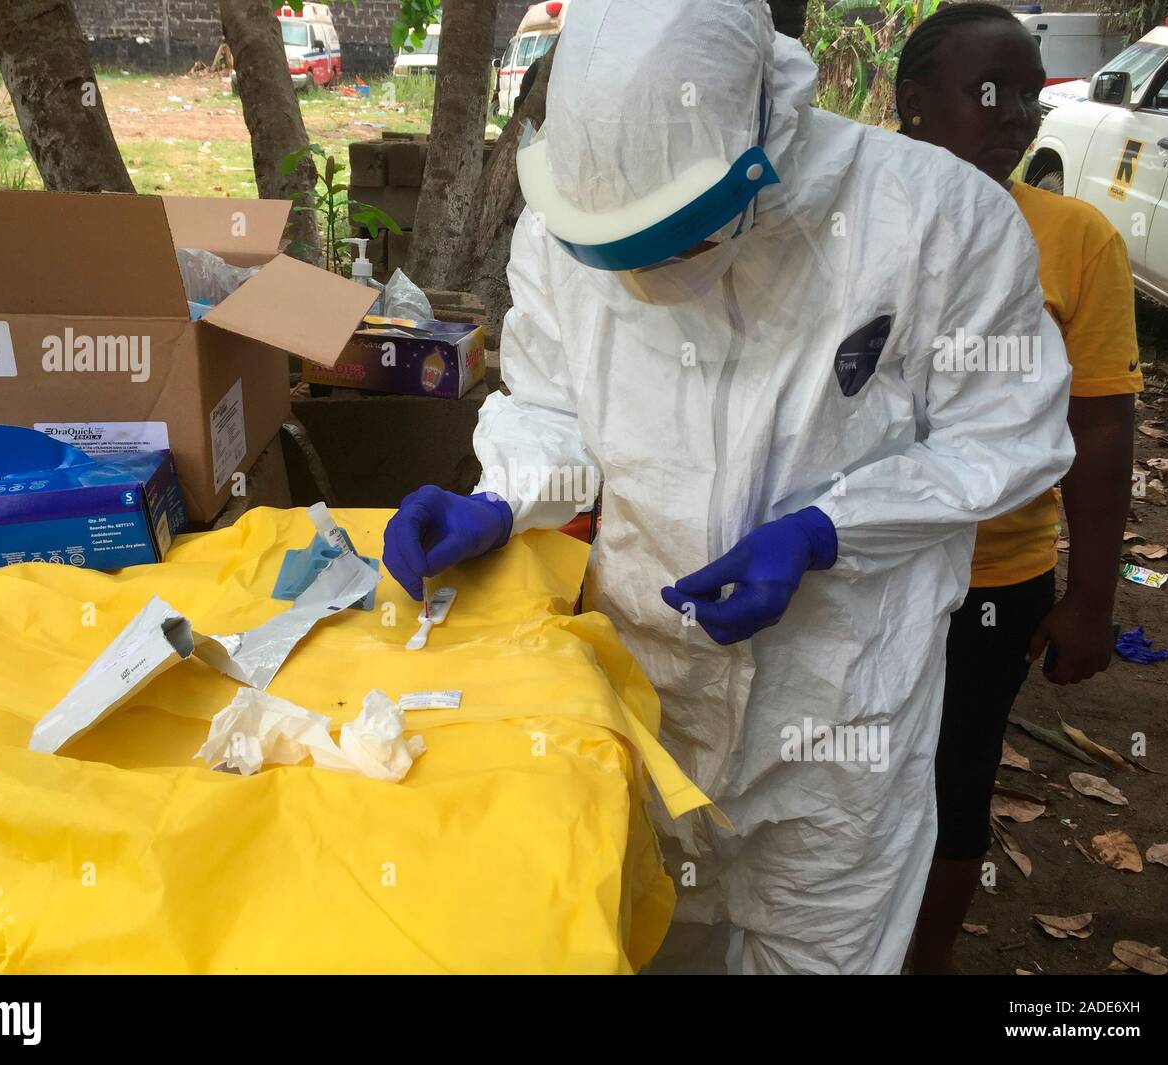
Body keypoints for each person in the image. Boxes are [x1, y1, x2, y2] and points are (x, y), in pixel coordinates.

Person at [384, 0, 1074, 974]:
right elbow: (553, 404)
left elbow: (1006, 433)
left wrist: (825, 532)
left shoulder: (935, 221)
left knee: (821, 950)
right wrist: (502, 496)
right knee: (649, 932)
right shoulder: (562, 224)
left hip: (837, 709)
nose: (647, 273)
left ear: (759, 145)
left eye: (674, 240)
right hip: (647, 692)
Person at [893, 3, 1141, 974]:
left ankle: (924, 959)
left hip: (991, 581)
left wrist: (1088, 598)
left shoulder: (1076, 240)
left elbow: (1100, 425)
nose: (1015, 114)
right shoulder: (853, 223)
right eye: (988, 91)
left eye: (1029, 94)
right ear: (913, 105)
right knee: (848, 771)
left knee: (953, 783)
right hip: (854, 570)